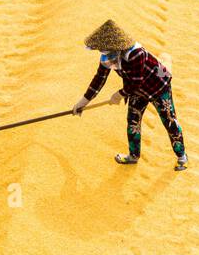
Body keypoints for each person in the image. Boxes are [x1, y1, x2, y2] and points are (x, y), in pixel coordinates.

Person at [73, 20, 188, 171]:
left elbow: (136, 81)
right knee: (133, 122)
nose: (104, 55)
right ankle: (133, 156)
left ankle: (182, 157)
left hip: (158, 86)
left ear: (116, 47)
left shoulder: (135, 54)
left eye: (105, 51)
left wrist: (119, 94)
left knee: (169, 120)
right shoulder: (107, 58)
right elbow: (98, 80)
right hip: (136, 91)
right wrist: (82, 103)